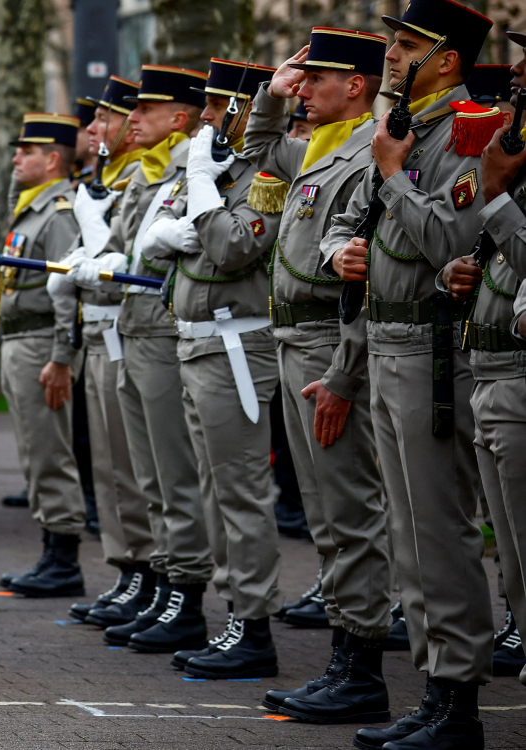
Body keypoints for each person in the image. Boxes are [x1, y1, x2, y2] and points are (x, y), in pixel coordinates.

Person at [324, 2, 496, 746]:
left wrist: (393, 177)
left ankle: (458, 699)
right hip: (386, 341)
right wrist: (341, 251)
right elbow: (353, 222)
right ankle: (432, 689)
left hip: (432, 351)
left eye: (407, 46)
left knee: (440, 531)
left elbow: (450, 237)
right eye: (395, 45)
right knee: (408, 532)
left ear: (448, 58)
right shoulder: (407, 131)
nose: (392, 56)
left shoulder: (470, 133)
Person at [242, 27, 395, 722]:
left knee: (348, 511)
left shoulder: (370, 154)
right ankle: (345, 659)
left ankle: (360, 666)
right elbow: (254, 154)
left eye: (314, 79)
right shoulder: (319, 148)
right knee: (325, 513)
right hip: (295, 339)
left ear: (355, 86)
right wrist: (269, 99)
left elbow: (372, 285)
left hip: (330, 344)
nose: (302, 89)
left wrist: (342, 372)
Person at [139, 59, 285, 673]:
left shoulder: (266, 170)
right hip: (195, 341)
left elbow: (229, 247)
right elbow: (148, 249)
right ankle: (234, 618)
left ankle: (252, 627)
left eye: (218, 104)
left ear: (246, 111)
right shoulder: (219, 168)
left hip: (234, 346)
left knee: (242, 493)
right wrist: (184, 215)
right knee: (212, 489)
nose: (204, 116)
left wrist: (202, 191)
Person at [65, 67, 214, 652]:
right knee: (147, 474)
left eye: (144, 111)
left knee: (173, 475)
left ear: (179, 118)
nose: (131, 120)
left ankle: (184, 592)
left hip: (161, 330)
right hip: (134, 326)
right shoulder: (146, 174)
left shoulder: (188, 171)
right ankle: (160, 582)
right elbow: (127, 252)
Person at [56, 74, 157, 624]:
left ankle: (152, 570)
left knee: (134, 464)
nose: (96, 129)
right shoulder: (110, 175)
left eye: (106, 119)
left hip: (129, 328)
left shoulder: (143, 176)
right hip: (99, 329)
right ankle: (128, 567)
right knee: (110, 465)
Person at [444, 16, 526, 696]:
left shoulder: (507, 169)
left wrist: (496, 194)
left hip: (517, 376)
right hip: (490, 368)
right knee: (514, 559)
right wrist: (463, 274)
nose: (517, 74)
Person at [0, 113, 86, 598]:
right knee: (33, 452)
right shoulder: (33, 207)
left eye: (25, 152)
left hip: (41, 342)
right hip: (19, 340)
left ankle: (63, 557)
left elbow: (69, 290)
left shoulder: (60, 213)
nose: (15, 159)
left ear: (52, 159)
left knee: (50, 451)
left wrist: (61, 357)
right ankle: (51, 548)